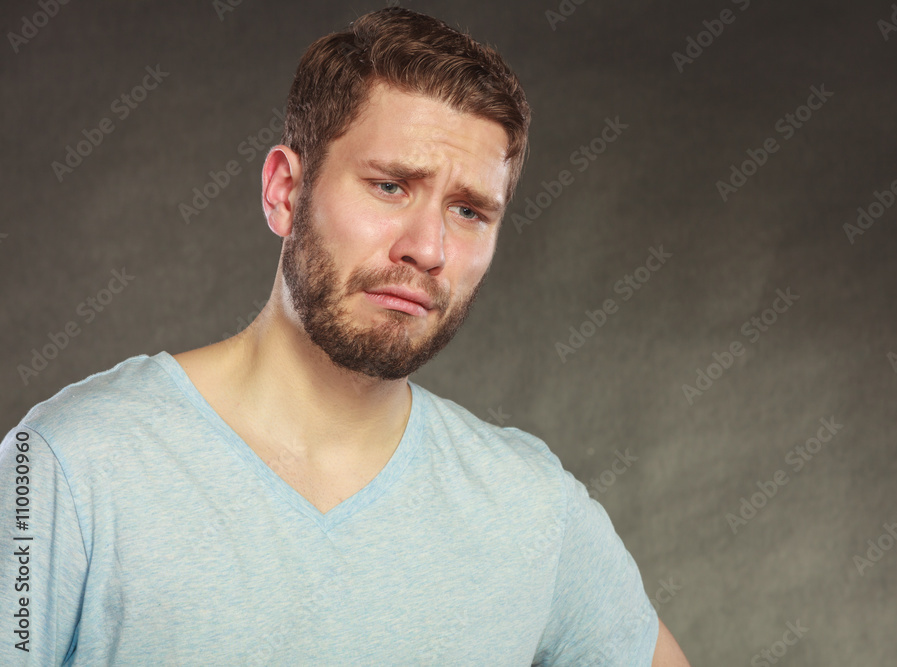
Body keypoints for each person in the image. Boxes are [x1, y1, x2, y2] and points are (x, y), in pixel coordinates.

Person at [1, 8, 689, 665]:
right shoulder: (67, 467)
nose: (428, 249)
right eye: (390, 186)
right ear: (284, 191)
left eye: (469, 211)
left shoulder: (531, 507)